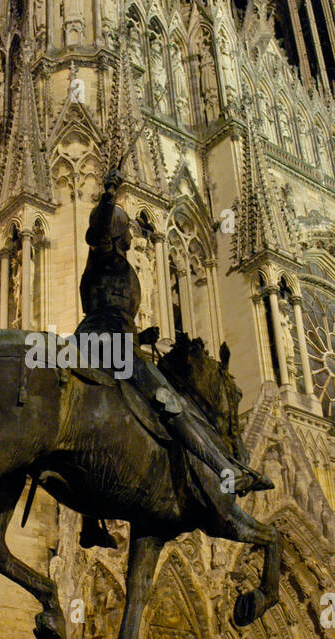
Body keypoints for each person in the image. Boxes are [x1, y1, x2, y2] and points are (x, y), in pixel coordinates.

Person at [76, 166, 270, 547]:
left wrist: (143, 335)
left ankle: (88, 522)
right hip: (107, 343)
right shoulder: (103, 256)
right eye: (126, 229)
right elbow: (97, 229)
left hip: (114, 339)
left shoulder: (117, 266)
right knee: (169, 403)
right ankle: (226, 467)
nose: (132, 234)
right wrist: (109, 195)